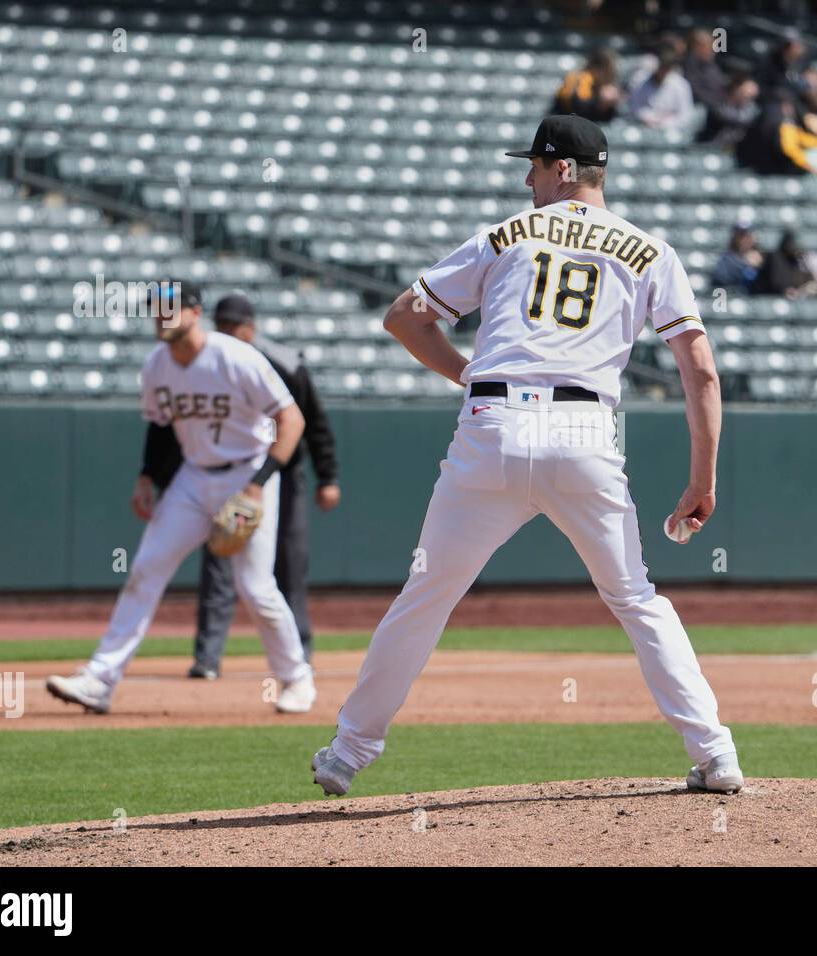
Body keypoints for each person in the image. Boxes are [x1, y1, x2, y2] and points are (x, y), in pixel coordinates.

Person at [311, 114, 743, 798]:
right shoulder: (649, 250)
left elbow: (402, 316)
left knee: (425, 595)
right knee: (635, 598)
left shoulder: (505, 232)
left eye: (535, 166)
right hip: (584, 432)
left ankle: (347, 753)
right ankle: (716, 755)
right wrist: (702, 479)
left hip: (492, 425)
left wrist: (467, 374)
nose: (526, 177)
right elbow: (701, 368)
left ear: (562, 169)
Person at [46, 280, 316, 715]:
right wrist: (147, 477)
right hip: (193, 478)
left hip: (247, 470)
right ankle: (99, 681)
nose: (161, 316)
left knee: (255, 587)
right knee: (145, 571)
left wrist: (258, 484)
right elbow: (159, 424)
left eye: (169, 308)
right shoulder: (156, 366)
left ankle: (297, 678)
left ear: (194, 313)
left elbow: (292, 419)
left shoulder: (235, 357)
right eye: (155, 309)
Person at [149, 294, 339, 679]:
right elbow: (172, 425)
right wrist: (153, 475)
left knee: (287, 562)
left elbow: (314, 423)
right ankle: (208, 658)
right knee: (219, 557)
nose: (229, 333)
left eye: (235, 327)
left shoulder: (284, 363)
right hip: (233, 476)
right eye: (223, 326)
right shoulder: (208, 362)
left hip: (282, 476)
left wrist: (329, 476)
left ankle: (298, 653)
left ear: (251, 328)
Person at [738, 68, 817, 181]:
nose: (812, 88)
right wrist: (810, 166)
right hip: (797, 165)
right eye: (807, 83)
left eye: (815, 83)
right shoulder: (791, 106)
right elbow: (789, 148)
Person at [626, 46, 694, 130]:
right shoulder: (639, 80)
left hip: (672, 130)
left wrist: (664, 122)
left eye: (666, 68)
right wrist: (651, 118)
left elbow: (685, 116)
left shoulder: (681, 85)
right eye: (661, 67)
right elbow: (634, 107)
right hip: (642, 127)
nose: (663, 71)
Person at [552, 46, 622, 124]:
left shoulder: (599, 83)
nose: (611, 73)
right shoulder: (580, 78)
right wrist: (601, 104)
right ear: (599, 68)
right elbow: (576, 111)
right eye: (609, 69)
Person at [695, 70, 760, 148]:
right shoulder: (718, 102)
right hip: (710, 147)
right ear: (736, 88)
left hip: (734, 150)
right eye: (744, 94)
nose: (747, 100)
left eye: (751, 97)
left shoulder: (750, 108)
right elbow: (727, 117)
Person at [711, 224, 763, 292]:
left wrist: (760, 266)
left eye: (748, 236)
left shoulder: (761, 257)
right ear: (734, 238)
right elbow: (724, 279)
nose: (745, 240)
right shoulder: (725, 258)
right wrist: (748, 266)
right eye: (741, 236)